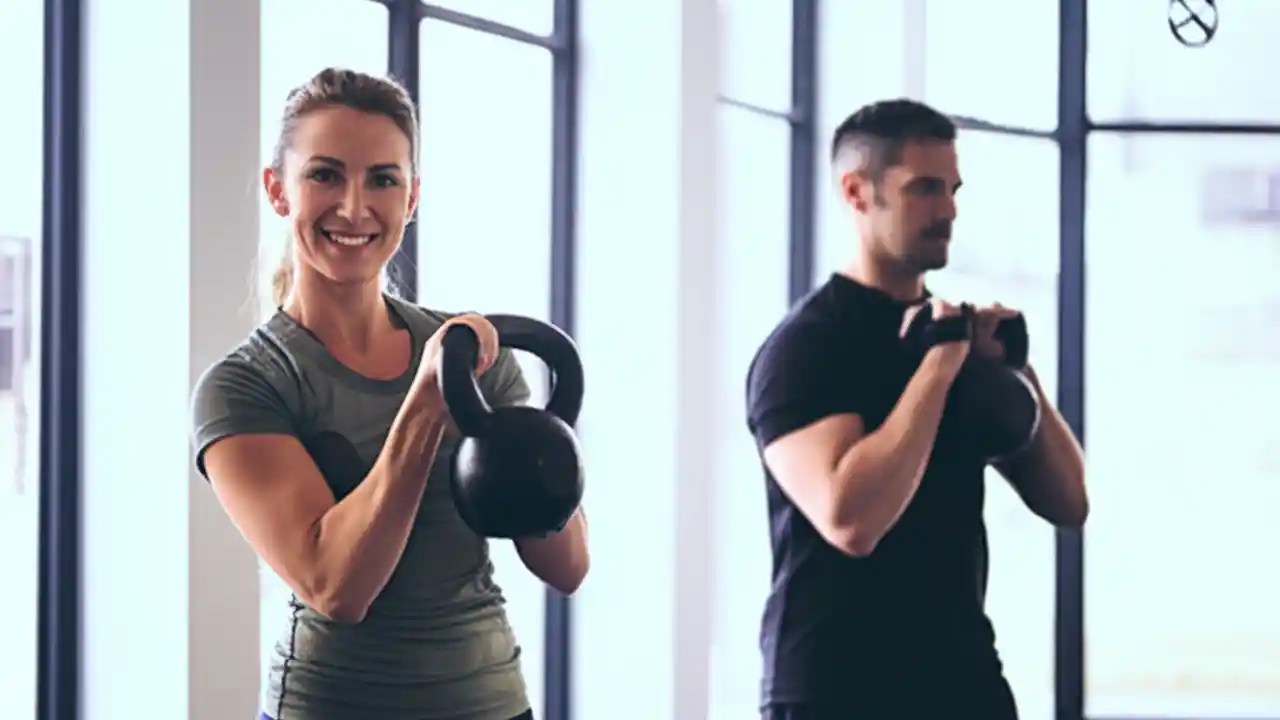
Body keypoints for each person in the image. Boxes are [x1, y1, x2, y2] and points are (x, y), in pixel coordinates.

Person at [190, 67, 589, 720]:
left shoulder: (472, 354)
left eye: (383, 179)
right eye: (325, 175)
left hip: (490, 701)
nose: (354, 208)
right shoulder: (244, 387)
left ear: (412, 198)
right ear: (278, 190)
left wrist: (540, 449)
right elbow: (337, 587)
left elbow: (566, 565)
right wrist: (429, 401)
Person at [743, 98, 1088, 719]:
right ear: (857, 192)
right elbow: (851, 522)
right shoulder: (807, 347)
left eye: (953, 190)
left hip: (964, 682)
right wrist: (939, 366)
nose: (948, 210)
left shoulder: (952, 340)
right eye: (925, 189)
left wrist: (1016, 367)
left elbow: (1069, 502)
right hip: (836, 690)